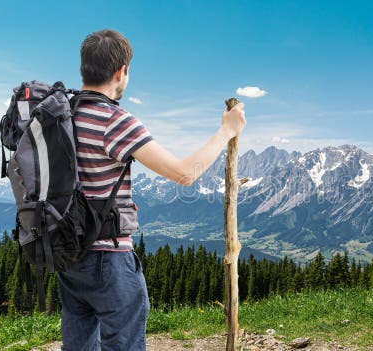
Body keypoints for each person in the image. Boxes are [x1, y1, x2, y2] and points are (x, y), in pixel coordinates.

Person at [58, 29, 247, 351]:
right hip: (109, 259)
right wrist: (226, 131)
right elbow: (184, 174)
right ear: (121, 72)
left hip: (68, 253)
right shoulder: (113, 120)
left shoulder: (63, 114)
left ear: (83, 68)